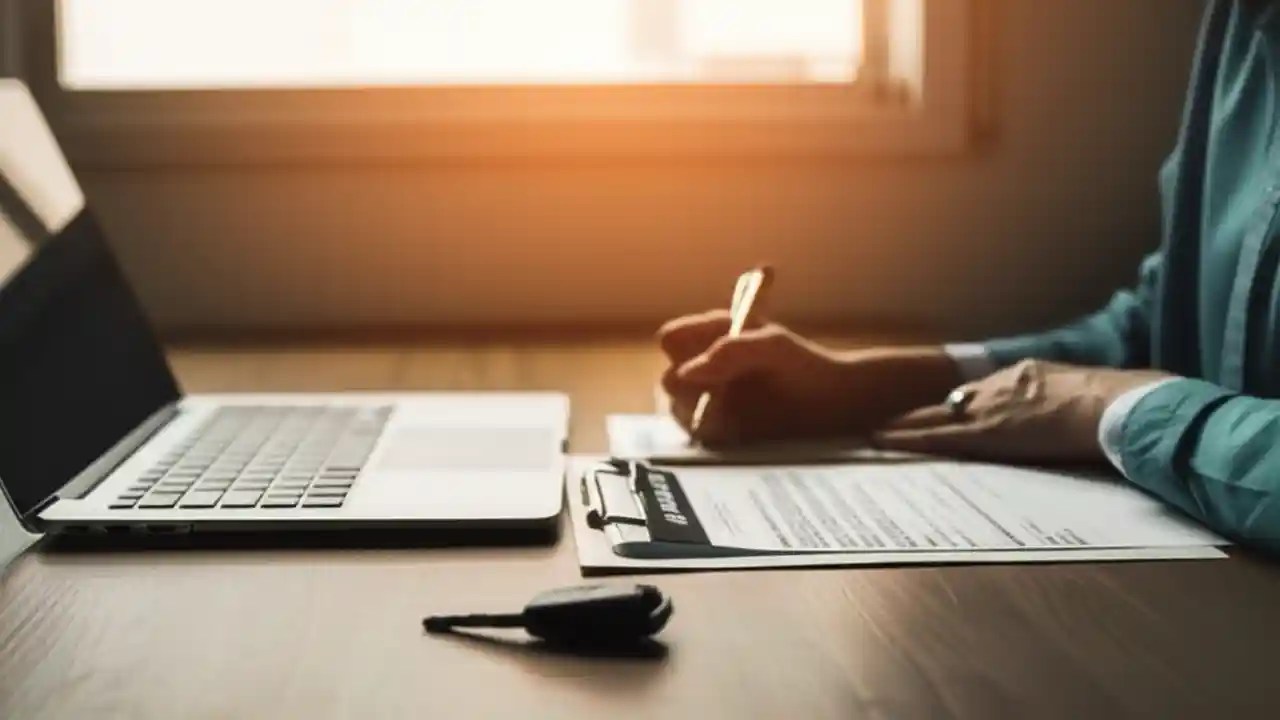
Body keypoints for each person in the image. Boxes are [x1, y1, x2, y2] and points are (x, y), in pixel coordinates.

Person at [657, 0, 1280, 553]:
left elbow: (1115, 389)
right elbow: (1162, 325)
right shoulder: (1240, 21)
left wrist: (1109, 407)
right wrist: (859, 389)